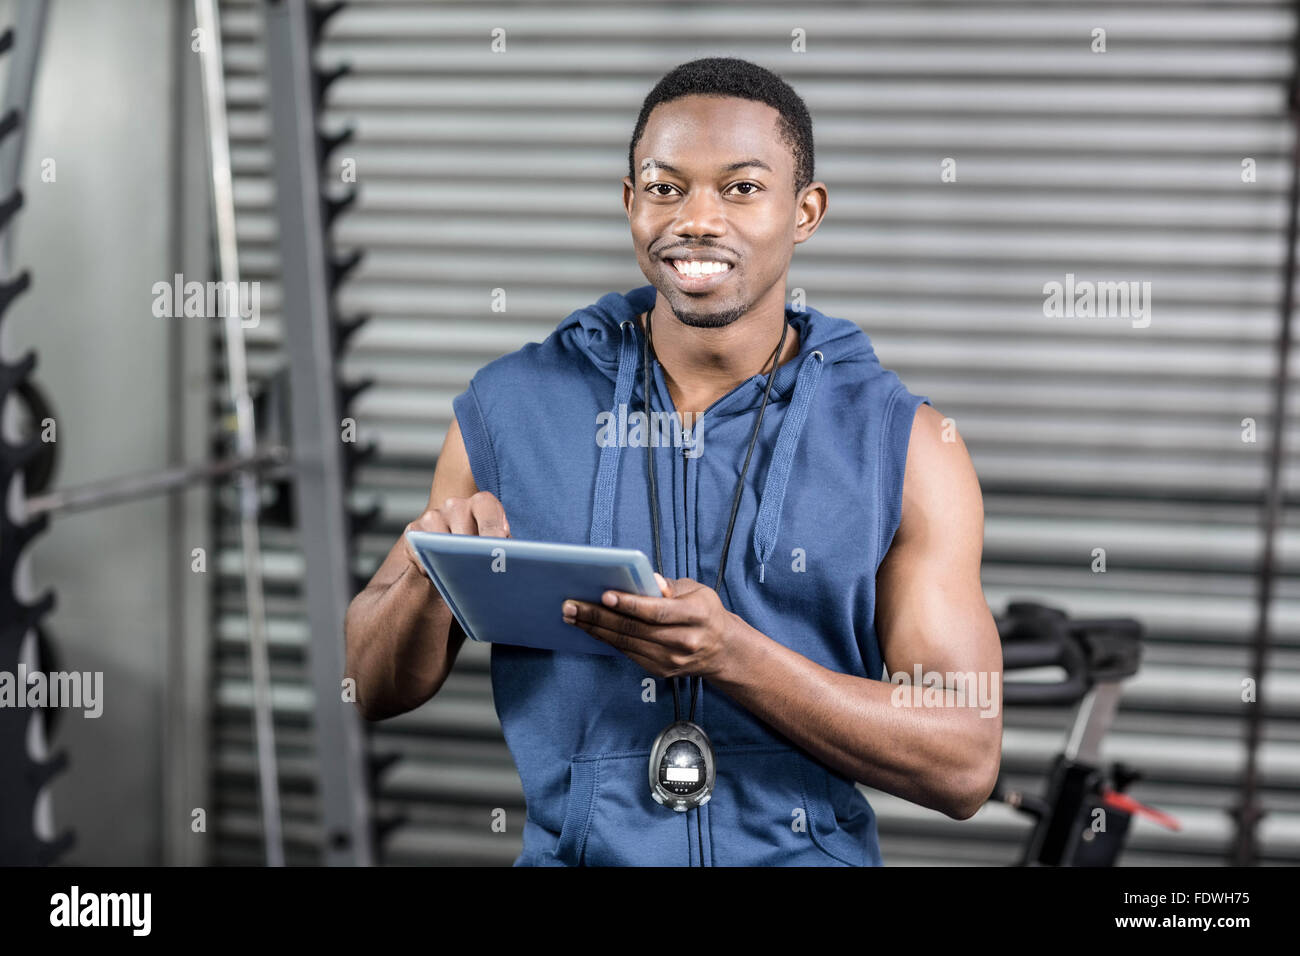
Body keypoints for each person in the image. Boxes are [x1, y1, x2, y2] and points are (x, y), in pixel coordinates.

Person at [344, 56, 1003, 866]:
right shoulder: (510, 408)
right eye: (665, 188)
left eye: (740, 189)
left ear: (805, 212)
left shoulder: (902, 442)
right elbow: (368, 688)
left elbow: (964, 760)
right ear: (630, 203)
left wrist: (734, 656)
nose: (696, 219)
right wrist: (428, 574)